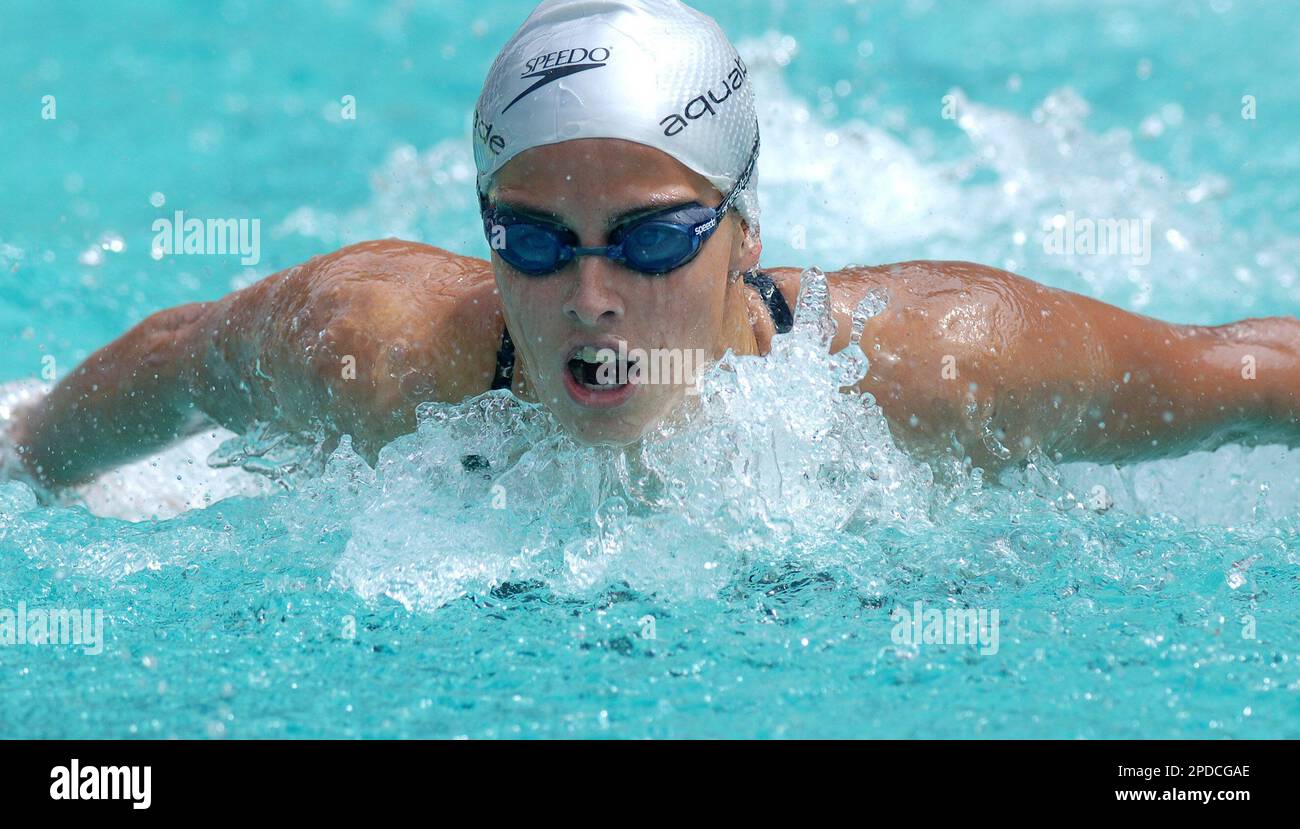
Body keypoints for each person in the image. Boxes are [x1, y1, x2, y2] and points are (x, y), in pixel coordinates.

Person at [6, 0, 1298, 493]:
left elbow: (1236, 370)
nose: (590, 298)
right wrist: (22, 451)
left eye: (653, 238)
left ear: (744, 231)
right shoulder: (382, 349)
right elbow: (180, 360)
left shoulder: (931, 370)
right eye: (533, 241)